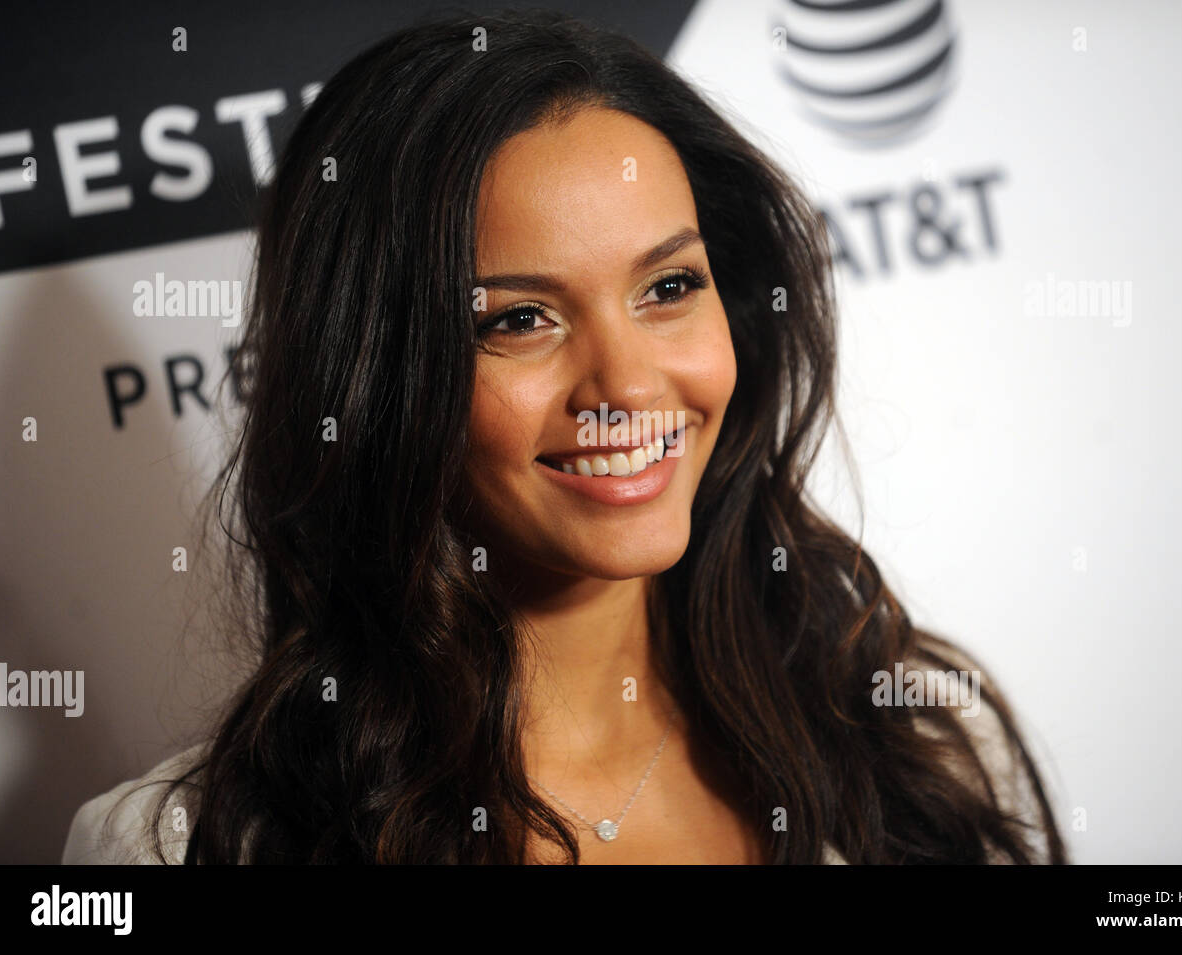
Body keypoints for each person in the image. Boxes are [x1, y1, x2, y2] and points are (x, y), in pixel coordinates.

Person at [63, 9, 1066, 865]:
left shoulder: (909, 743)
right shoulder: (185, 846)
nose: (627, 385)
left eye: (669, 287)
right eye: (516, 318)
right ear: (373, 376)